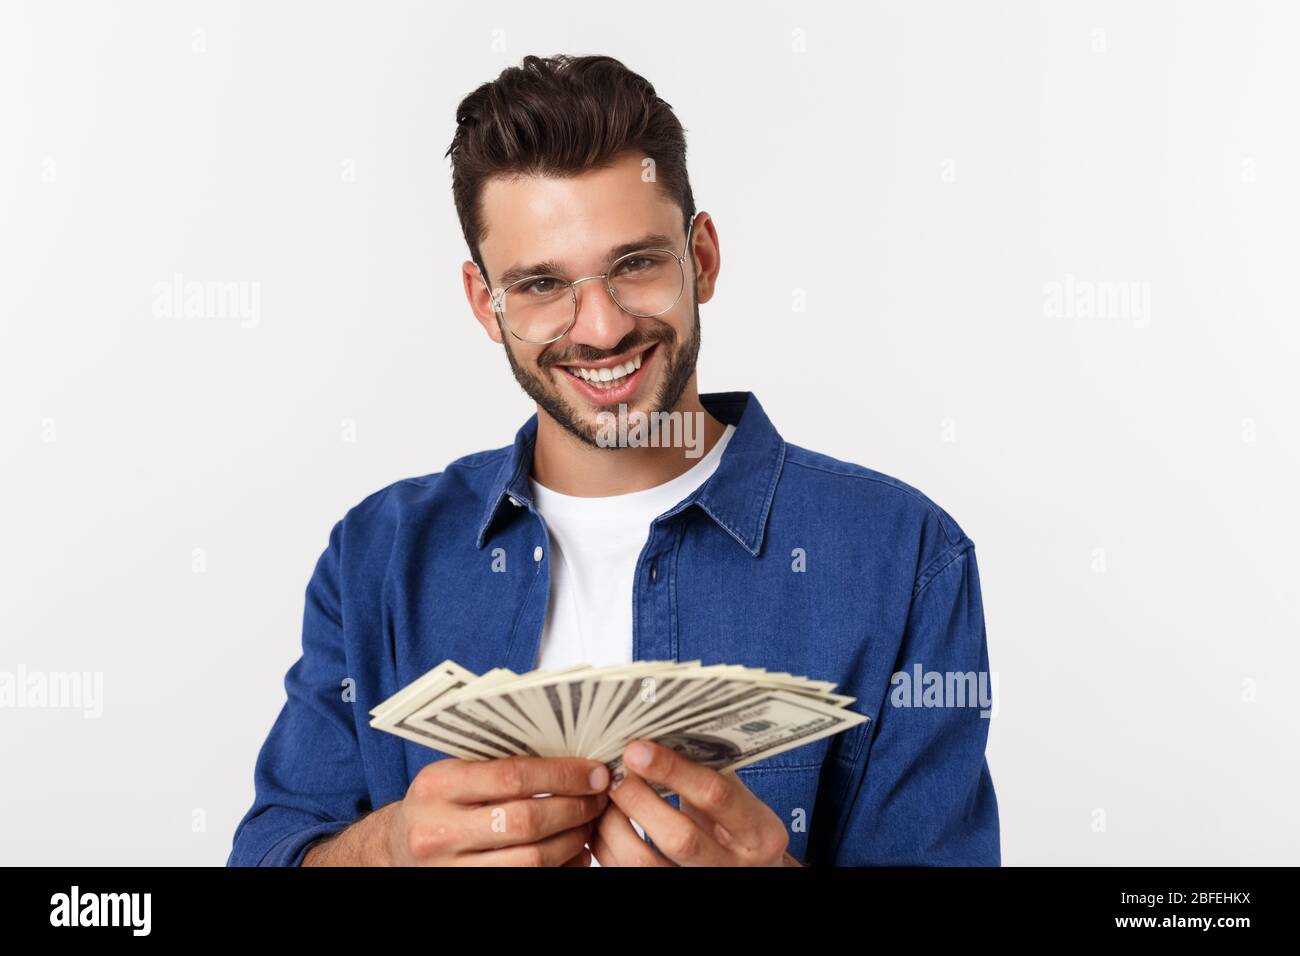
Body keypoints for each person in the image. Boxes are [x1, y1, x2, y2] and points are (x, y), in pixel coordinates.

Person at [227, 54, 1000, 867]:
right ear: (483, 304)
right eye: (539, 285)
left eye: (635, 264)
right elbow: (272, 849)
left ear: (700, 258)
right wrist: (386, 849)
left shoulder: (902, 554)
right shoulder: (378, 555)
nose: (598, 329)